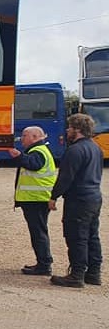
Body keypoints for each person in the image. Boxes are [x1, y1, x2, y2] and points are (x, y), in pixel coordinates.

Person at [49, 113, 103, 288]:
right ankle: (93, 273)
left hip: (78, 199)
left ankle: (76, 275)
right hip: (94, 197)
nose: (67, 130)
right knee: (92, 236)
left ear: (77, 129)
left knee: (76, 236)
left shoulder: (74, 150)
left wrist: (53, 196)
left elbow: (65, 178)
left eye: (70, 127)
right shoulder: (96, 148)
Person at [8, 126, 57, 275]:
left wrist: (17, 155)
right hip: (37, 199)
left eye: (24, 136)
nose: (21, 139)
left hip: (36, 200)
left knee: (38, 233)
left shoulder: (38, 151)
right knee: (39, 231)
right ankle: (43, 262)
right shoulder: (39, 150)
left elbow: (33, 164)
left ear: (35, 137)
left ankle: (44, 265)